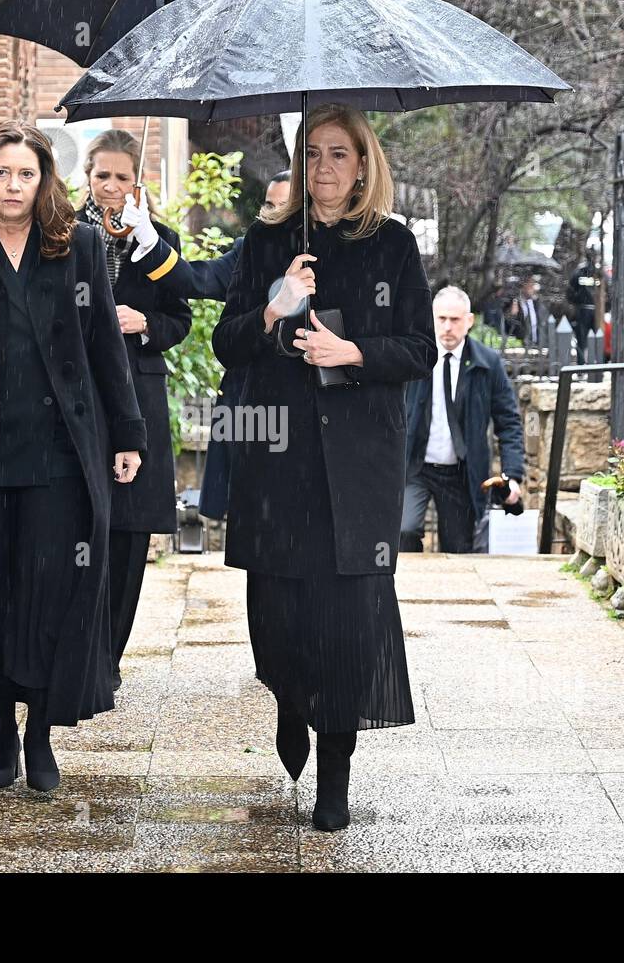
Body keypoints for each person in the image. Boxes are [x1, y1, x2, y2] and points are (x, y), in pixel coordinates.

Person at [212, 103, 436, 832]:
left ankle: (334, 775)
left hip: (358, 463)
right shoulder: (270, 238)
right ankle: (287, 696)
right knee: (279, 616)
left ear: (364, 164)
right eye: (313, 154)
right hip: (279, 459)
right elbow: (227, 342)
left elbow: (420, 348)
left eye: (339, 154)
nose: (325, 168)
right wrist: (276, 309)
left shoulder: (394, 245)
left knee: (345, 624)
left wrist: (353, 353)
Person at [0, 121, 147, 793]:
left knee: (51, 600)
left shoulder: (78, 249)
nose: (14, 185)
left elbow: (106, 347)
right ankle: (2, 735)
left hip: (61, 461)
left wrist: (128, 435)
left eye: (27, 174)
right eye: (2, 172)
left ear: (45, 182)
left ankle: (41, 731)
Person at [74, 130, 192, 691]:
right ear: (87, 178)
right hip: (81, 399)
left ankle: (109, 659)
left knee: (129, 534)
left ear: (137, 182)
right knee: (82, 523)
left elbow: (181, 319)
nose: (112, 187)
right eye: (103, 176)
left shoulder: (160, 240)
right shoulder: (63, 236)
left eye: (123, 177)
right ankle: (80, 647)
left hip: (139, 396)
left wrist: (145, 324)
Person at [121, 170, 293, 520]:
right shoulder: (250, 251)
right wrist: (148, 237)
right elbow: (195, 279)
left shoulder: (336, 255)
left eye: (285, 207)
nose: (273, 216)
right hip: (254, 406)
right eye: (268, 206)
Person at [399, 286, 525, 554]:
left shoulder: (487, 363)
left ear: (468, 321)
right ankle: (412, 590)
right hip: (415, 466)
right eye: (441, 319)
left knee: (459, 548)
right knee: (404, 530)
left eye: (454, 320)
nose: (447, 327)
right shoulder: (413, 357)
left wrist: (512, 475)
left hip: (461, 472)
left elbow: (509, 422)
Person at [567, 251, 599, 364]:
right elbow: (570, 292)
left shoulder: (597, 273)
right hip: (585, 309)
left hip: (592, 310)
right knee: (583, 339)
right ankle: (583, 365)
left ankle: (587, 365)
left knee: (594, 338)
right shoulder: (582, 273)